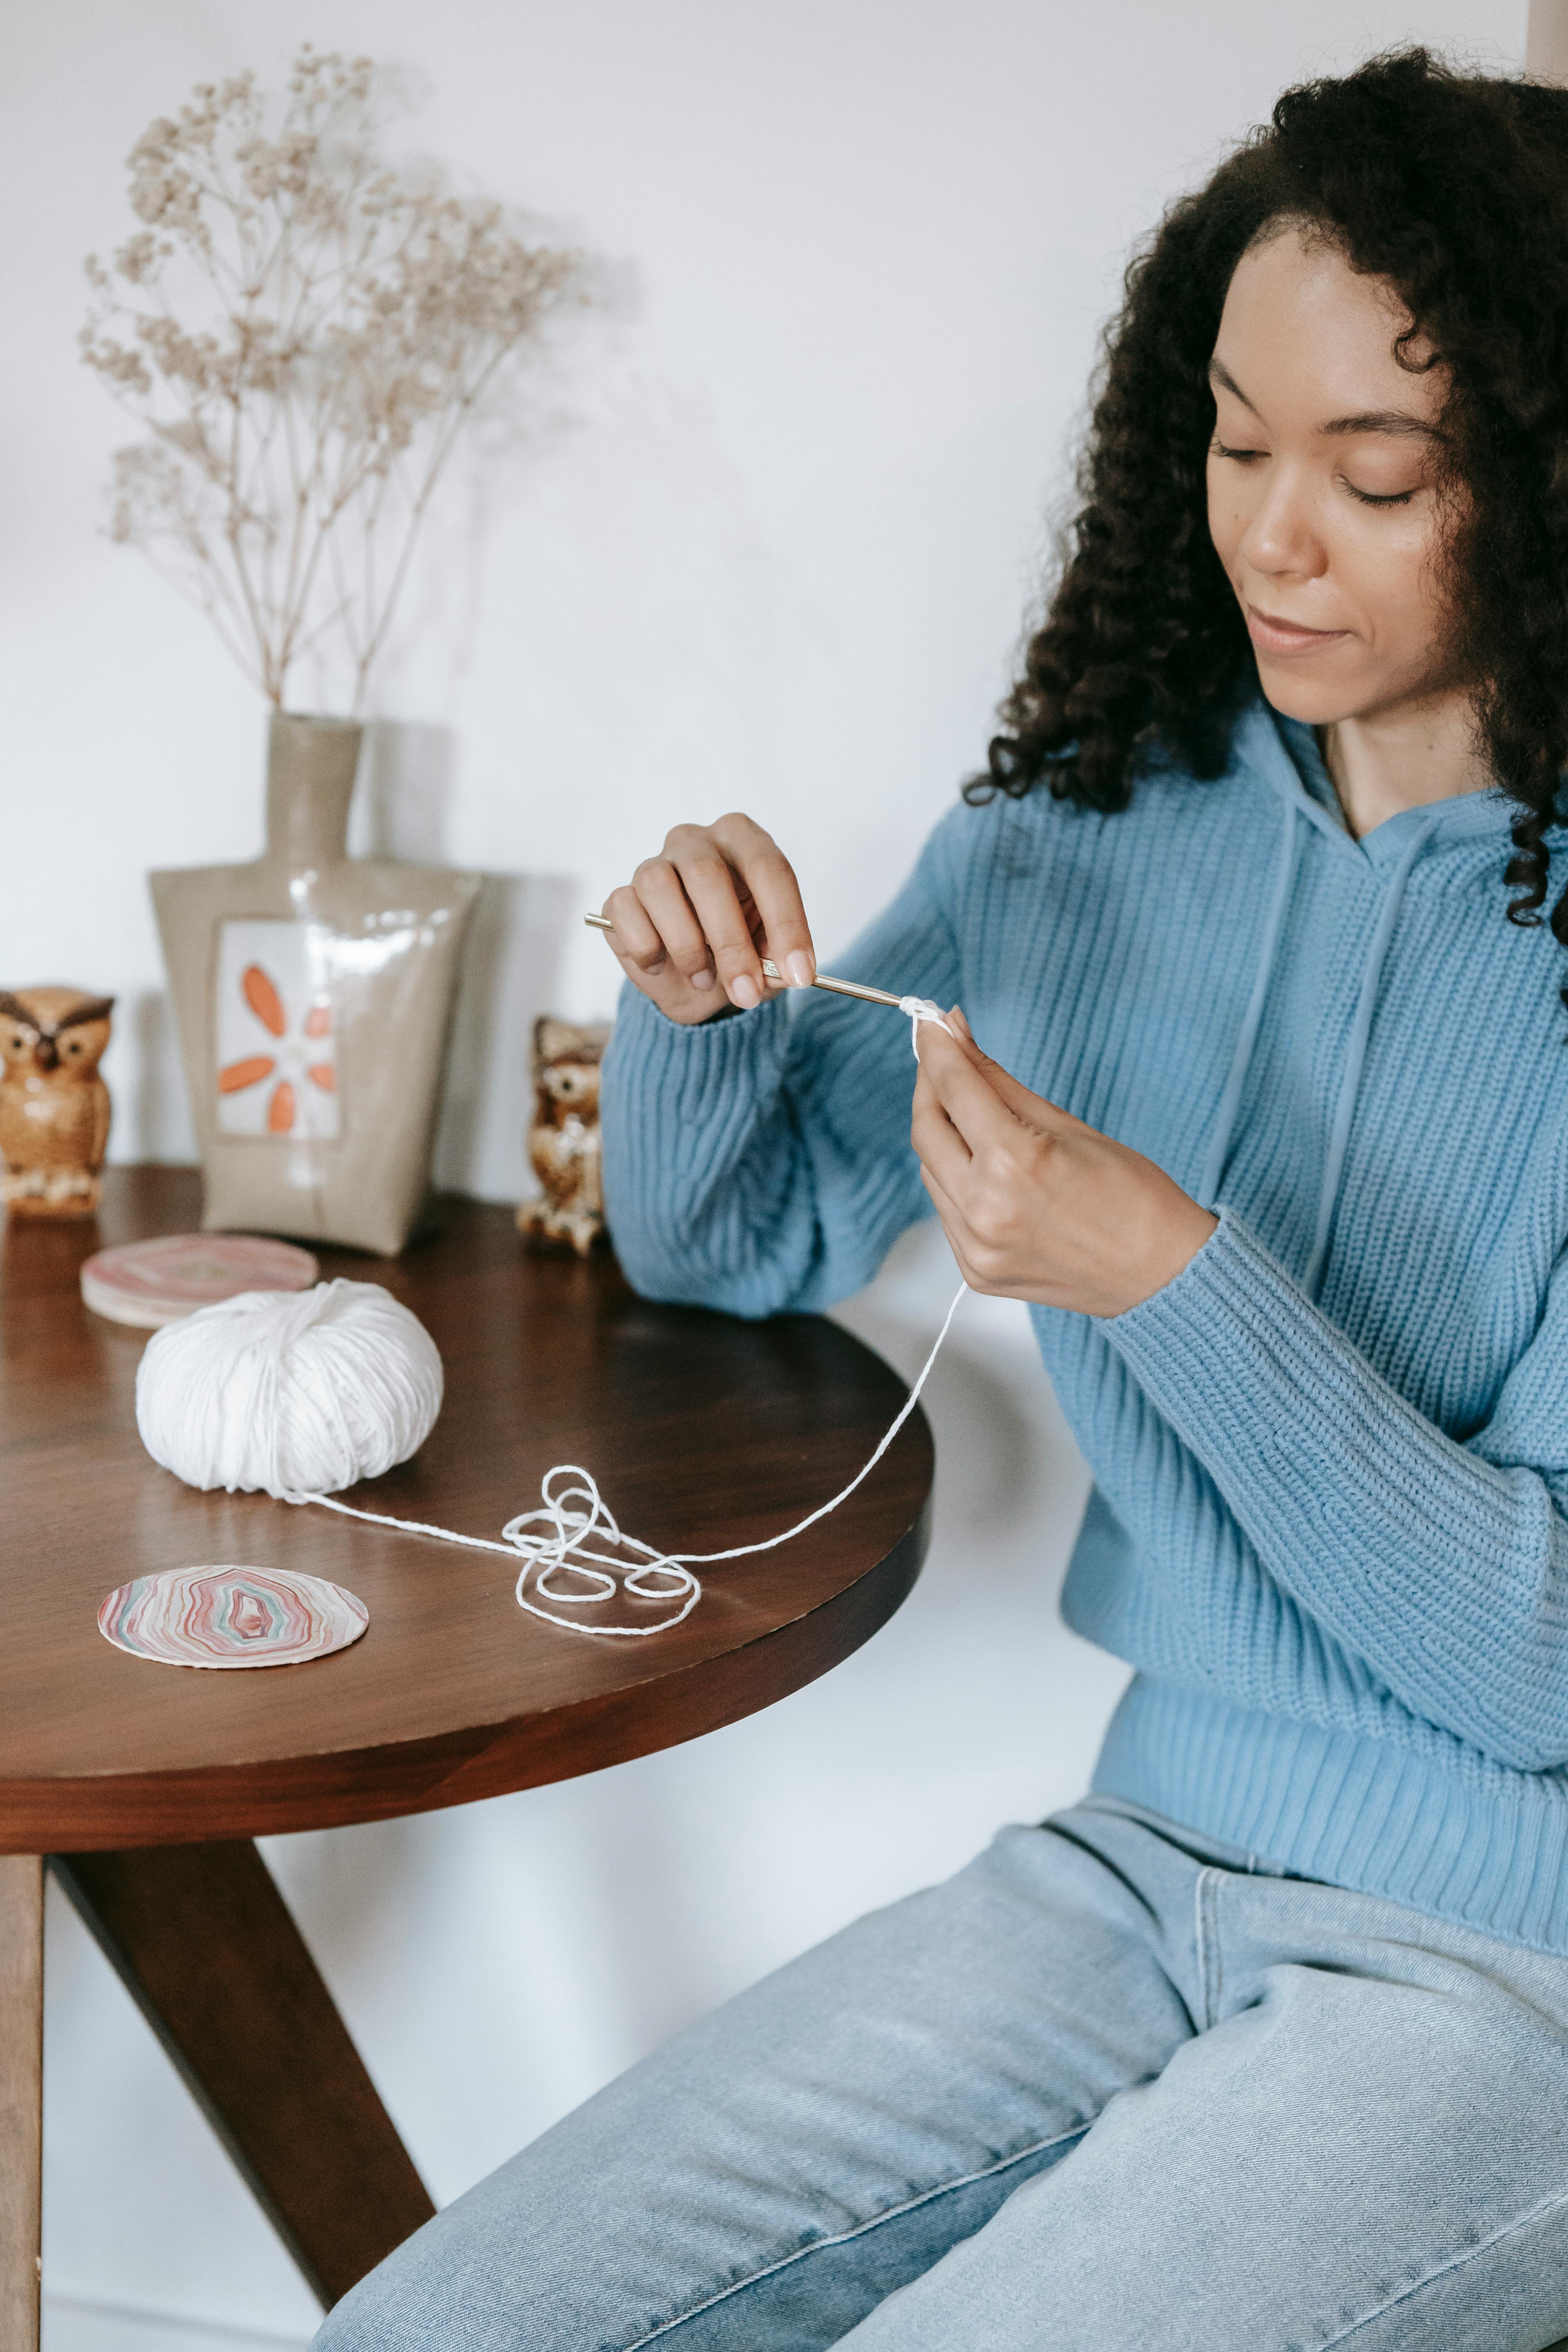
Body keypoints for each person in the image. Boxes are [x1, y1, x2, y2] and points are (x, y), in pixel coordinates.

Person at [316, 48, 1568, 2352]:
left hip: (1521, 1984)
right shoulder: (1093, 830)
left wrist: (1173, 1279)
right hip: (1134, 1870)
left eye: (1378, 476)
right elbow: (736, 1245)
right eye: (1236, 443)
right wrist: (693, 1012)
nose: (1275, 536)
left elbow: (1545, 1654)